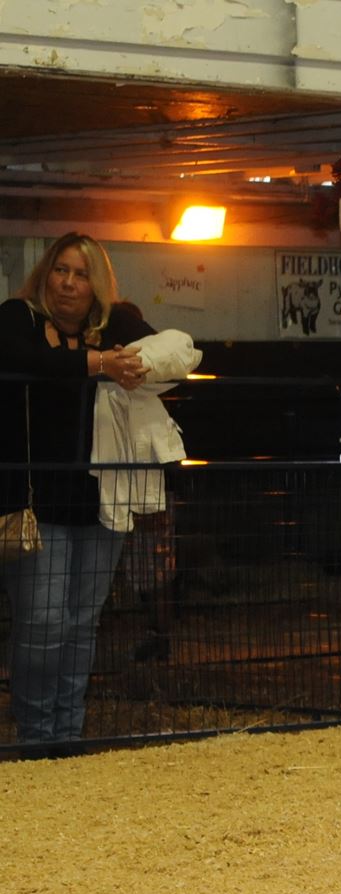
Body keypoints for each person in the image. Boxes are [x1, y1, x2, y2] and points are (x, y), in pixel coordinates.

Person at [0, 233, 151, 749]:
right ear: (45, 274)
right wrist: (101, 363)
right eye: (60, 270)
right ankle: (36, 733)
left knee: (83, 622)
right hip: (38, 502)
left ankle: (69, 733)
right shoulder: (17, 318)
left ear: (97, 284)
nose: (68, 283)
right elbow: (23, 360)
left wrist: (122, 348)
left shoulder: (114, 323)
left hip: (102, 500)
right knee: (42, 622)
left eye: (81, 274)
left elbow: (166, 349)